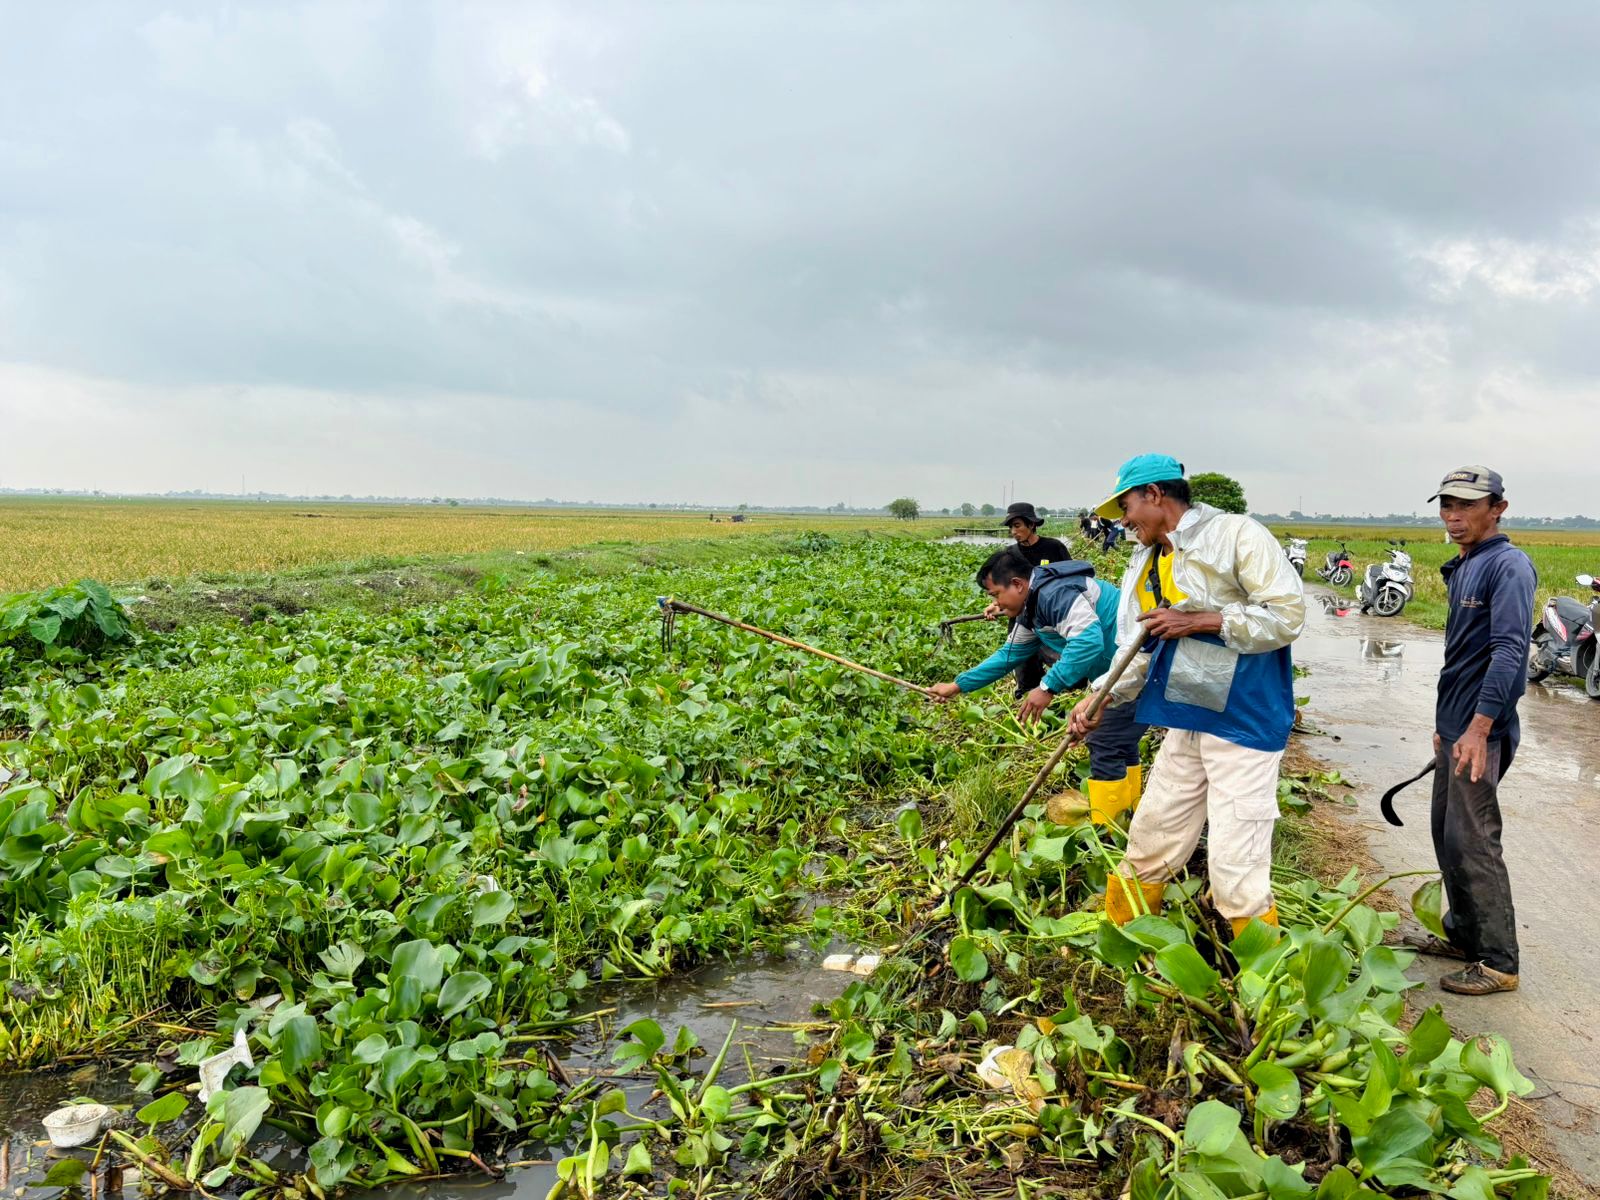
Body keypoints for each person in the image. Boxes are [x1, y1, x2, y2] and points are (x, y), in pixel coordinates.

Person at [1068, 454, 1305, 938]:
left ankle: (1260, 987)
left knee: (1236, 868)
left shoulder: (1238, 535)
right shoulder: (1148, 557)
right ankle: (1123, 941)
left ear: (1154, 495)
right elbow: (1137, 646)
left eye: (1127, 507)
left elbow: (1287, 615)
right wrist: (1099, 699)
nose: (1124, 522)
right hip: (1188, 715)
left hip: (1245, 723)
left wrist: (1200, 620)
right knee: (1150, 840)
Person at [1404, 467, 1535, 995]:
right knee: (1448, 834)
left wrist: (1480, 729)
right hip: (1457, 728)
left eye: (1467, 506)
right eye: (1446, 506)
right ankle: (1464, 936)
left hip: (1484, 732)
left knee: (1474, 841)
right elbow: (1460, 659)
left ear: (1498, 508)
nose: (1454, 517)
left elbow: (1509, 653)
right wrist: (1447, 727)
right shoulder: (1466, 565)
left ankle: (1500, 962)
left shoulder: (1507, 566)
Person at [930, 548, 1148, 824]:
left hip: (1133, 667)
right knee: (1120, 741)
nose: (996, 604)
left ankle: (1110, 829)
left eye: (996, 594)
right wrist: (957, 686)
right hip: (1115, 674)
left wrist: (1047, 687)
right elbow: (1007, 656)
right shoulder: (1031, 608)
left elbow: (1088, 641)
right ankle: (1130, 815)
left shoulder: (1055, 595)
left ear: (1018, 584)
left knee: (1104, 740)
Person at [986, 503, 1071, 694]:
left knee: (1067, 670)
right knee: (1025, 674)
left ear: (1031, 525)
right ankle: (1030, 711)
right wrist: (996, 605)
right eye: (1010, 527)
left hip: (1051, 623)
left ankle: (1062, 704)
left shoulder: (1054, 548)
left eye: (1017, 525)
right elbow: (1004, 589)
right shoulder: (1009, 556)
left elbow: (1071, 580)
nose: (1013, 531)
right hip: (1021, 622)